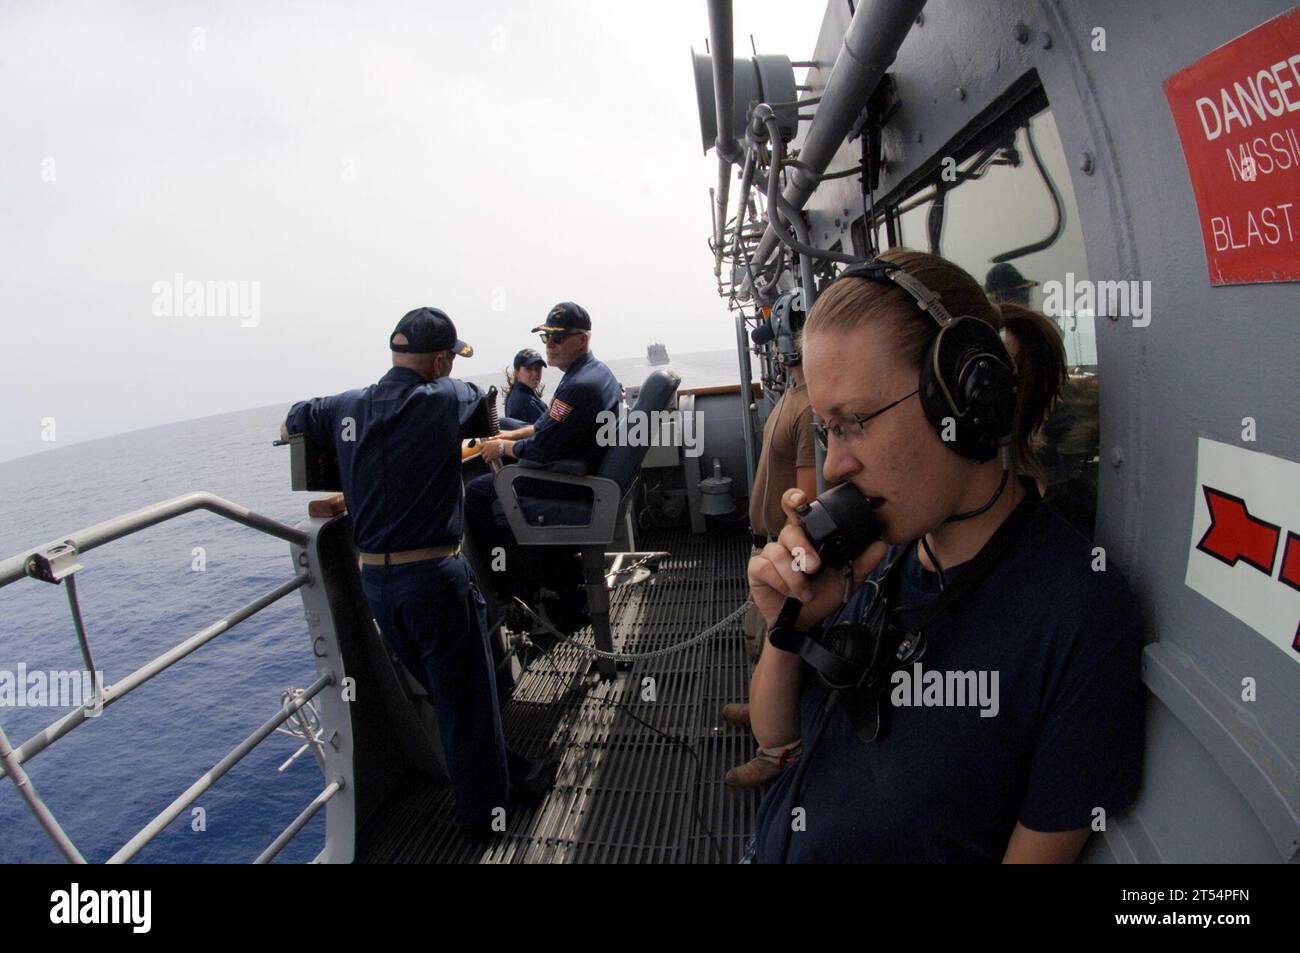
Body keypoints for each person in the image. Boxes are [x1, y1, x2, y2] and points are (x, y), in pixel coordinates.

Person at [744, 250, 1142, 863]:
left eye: (853, 422)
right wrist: (789, 625)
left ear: (963, 395)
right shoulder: (885, 555)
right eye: (828, 430)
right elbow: (778, 743)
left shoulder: (1078, 618)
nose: (833, 467)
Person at [280, 307, 554, 840]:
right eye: (449, 358)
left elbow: (296, 416)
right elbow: (480, 405)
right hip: (434, 582)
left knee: (448, 698)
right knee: (468, 703)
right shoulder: (445, 396)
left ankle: (512, 773)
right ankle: (486, 825)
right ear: (438, 360)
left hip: (378, 586)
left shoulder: (345, 405)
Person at [465, 301, 621, 603]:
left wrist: (501, 447)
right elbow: (546, 425)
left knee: (479, 492)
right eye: (546, 337)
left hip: (574, 478)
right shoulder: (594, 373)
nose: (551, 345)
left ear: (582, 339)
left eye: (558, 337)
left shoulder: (578, 386)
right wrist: (511, 434)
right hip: (585, 467)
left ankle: (504, 589)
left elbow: (540, 450)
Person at [722, 321, 816, 789]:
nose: (780, 356)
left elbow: (808, 494)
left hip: (783, 549)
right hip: (766, 547)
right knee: (759, 642)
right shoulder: (790, 399)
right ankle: (761, 708)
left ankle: (779, 750)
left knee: (780, 647)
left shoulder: (808, 407)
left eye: (783, 346)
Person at [501, 347, 548, 427]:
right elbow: (544, 432)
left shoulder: (519, 394)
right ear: (516, 372)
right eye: (529, 369)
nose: (535, 373)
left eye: (538, 368)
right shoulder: (526, 400)